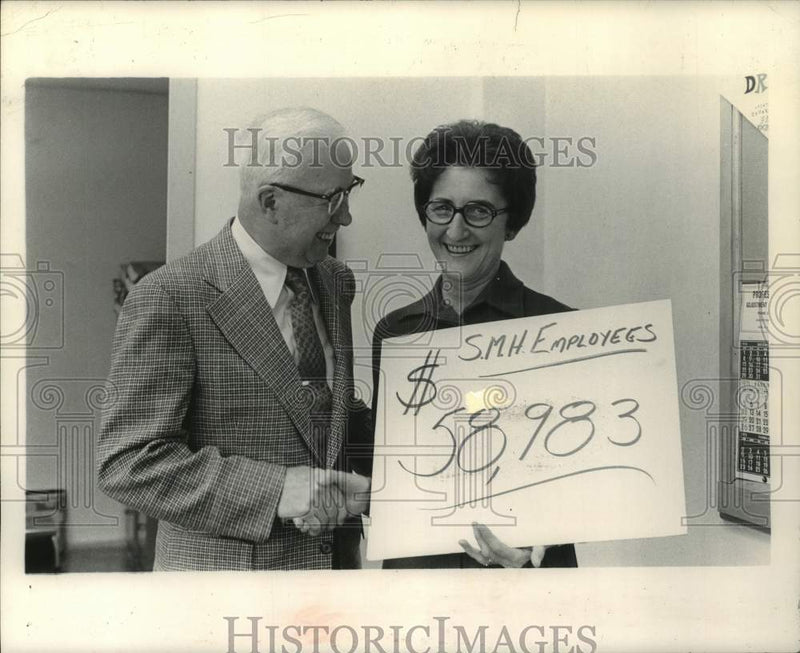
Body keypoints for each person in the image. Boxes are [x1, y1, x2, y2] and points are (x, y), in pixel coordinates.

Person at [98, 108, 371, 571]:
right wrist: (279, 490)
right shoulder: (169, 297)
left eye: (349, 191)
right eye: (331, 199)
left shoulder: (333, 279)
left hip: (334, 582)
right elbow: (128, 463)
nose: (345, 216)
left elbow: (321, 411)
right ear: (269, 202)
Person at [371, 119, 578, 569]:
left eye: (479, 211)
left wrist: (538, 546)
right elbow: (394, 469)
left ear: (513, 223)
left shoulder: (563, 330)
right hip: (417, 578)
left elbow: (586, 474)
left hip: (528, 582)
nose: (457, 231)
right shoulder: (396, 333)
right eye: (441, 208)